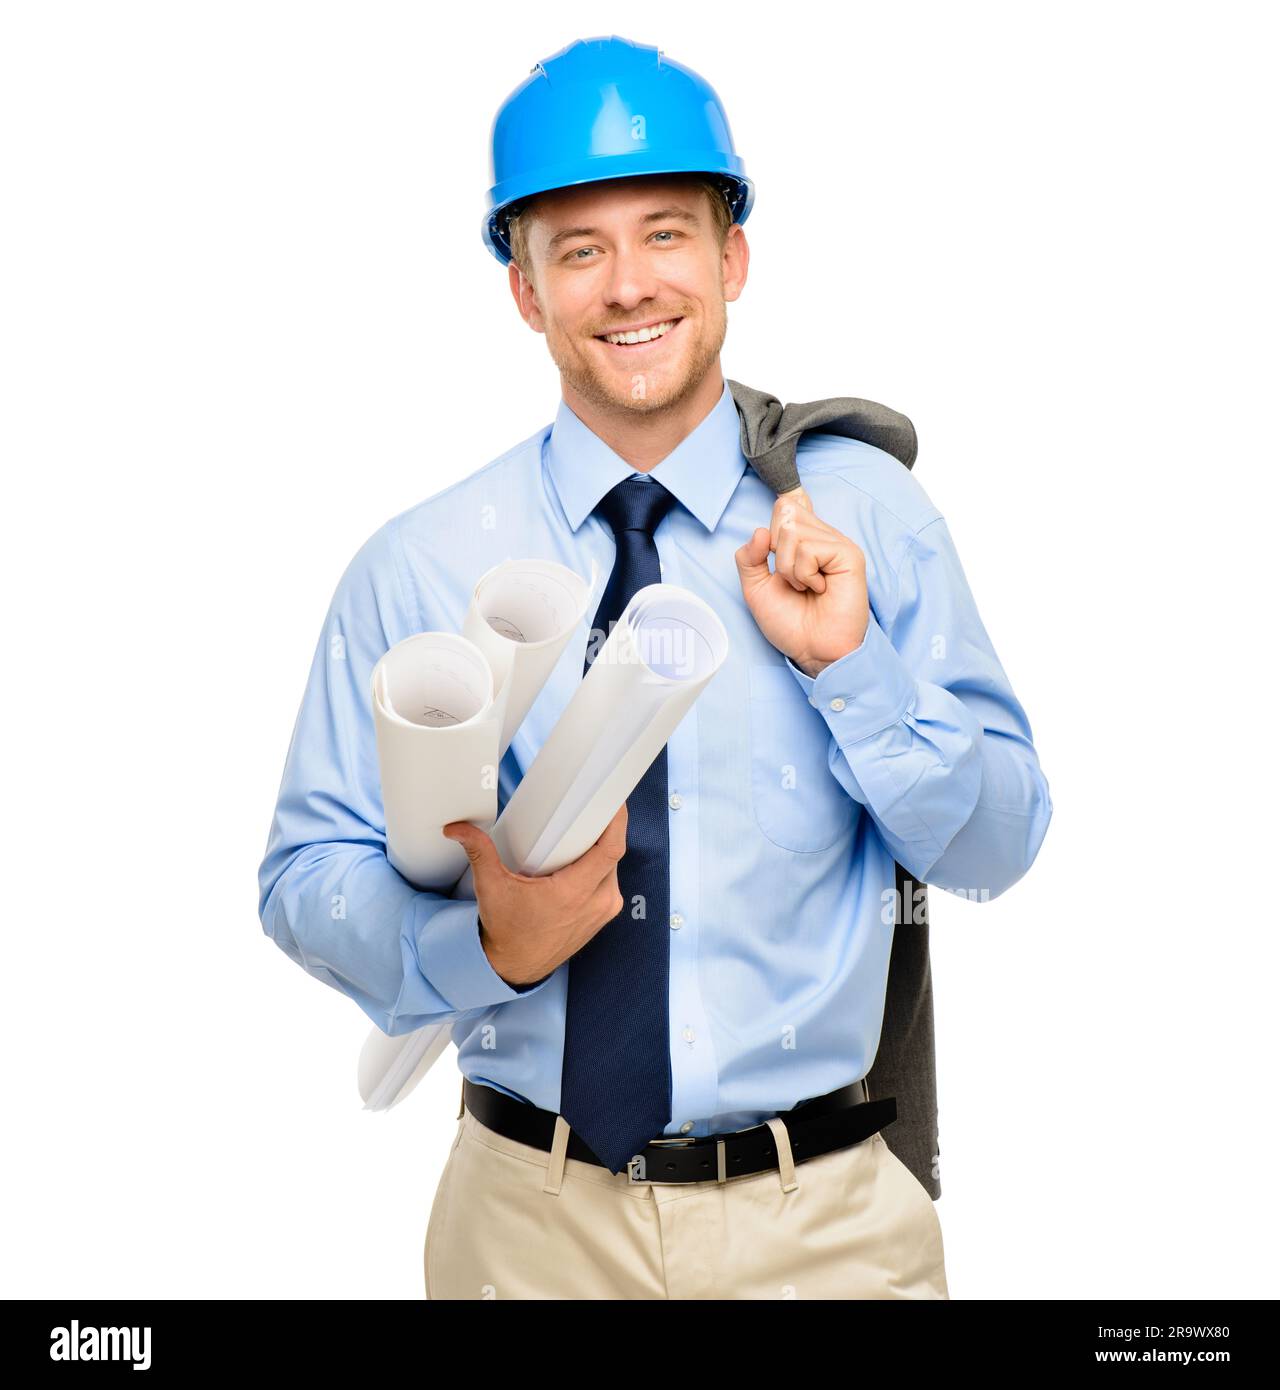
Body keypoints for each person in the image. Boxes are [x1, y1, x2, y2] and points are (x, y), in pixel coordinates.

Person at [257, 35, 1053, 1300]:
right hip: (525, 1231)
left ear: (730, 257)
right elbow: (305, 878)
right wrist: (488, 947)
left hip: (829, 1231)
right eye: (577, 250)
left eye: (665, 235)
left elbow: (998, 846)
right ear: (525, 289)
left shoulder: (863, 520)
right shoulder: (416, 565)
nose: (628, 285)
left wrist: (853, 670)